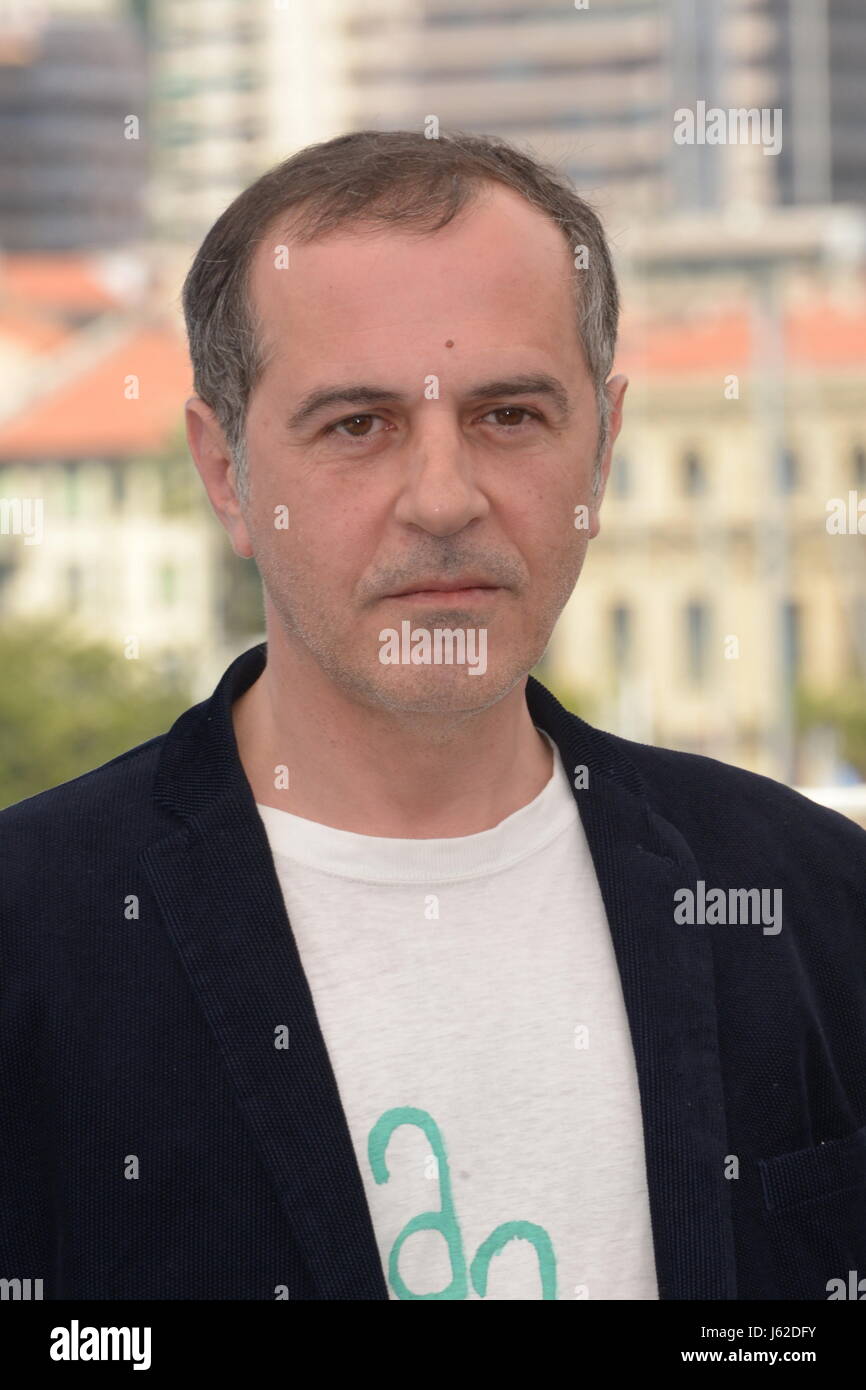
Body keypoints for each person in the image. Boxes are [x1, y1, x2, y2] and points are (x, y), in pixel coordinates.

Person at [2, 130, 865, 1302]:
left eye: (508, 414)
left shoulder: (814, 903)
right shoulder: (36, 938)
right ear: (226, 473)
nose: (444, 498)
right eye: (357, 424)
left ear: (601, 450)